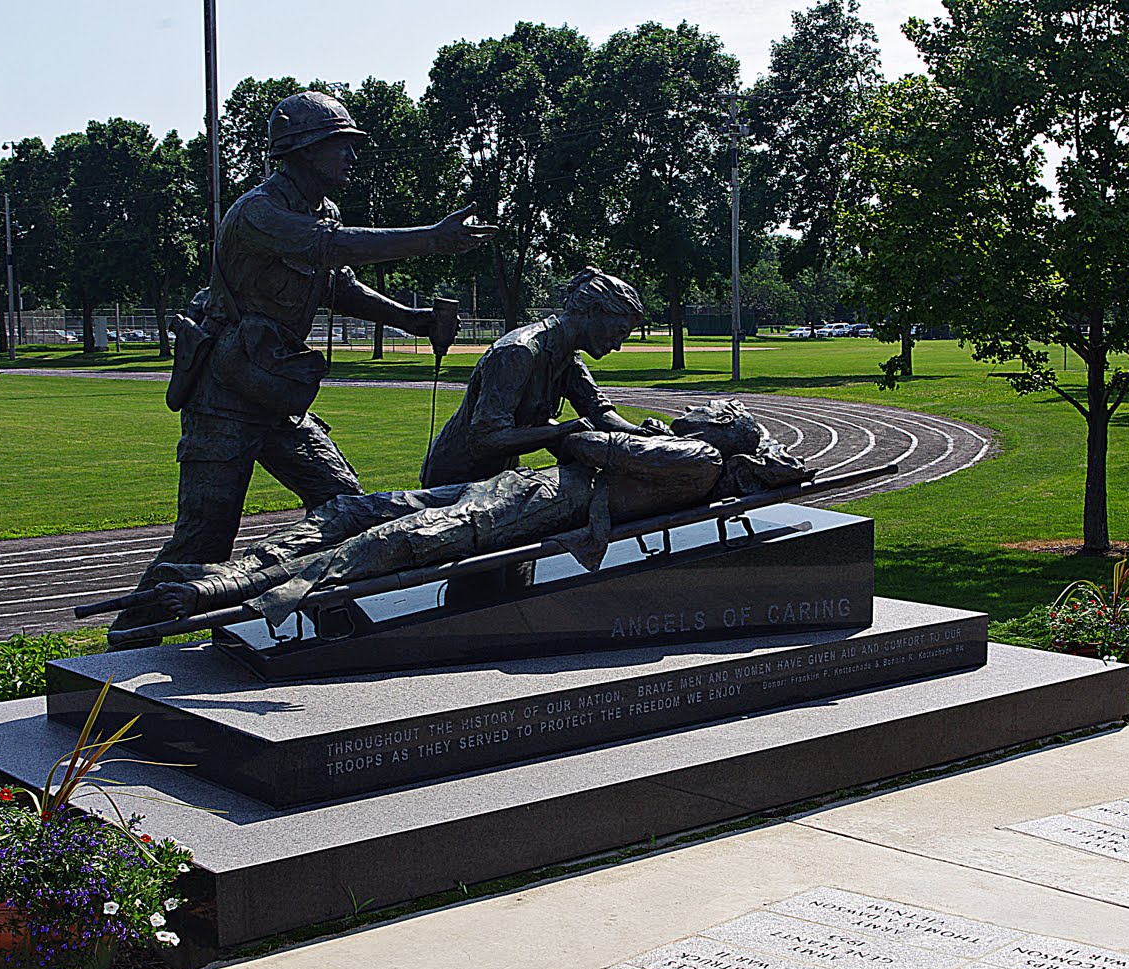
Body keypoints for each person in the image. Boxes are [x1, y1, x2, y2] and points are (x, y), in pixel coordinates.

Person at [111, 90, 497, 646]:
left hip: (276, 397)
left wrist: (409, 320)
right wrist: (431, 239)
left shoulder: (321, 210)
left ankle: (330, 619)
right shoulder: (261, 213)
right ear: (303, 150)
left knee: (342, 504)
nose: (351, 156)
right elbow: (328, 249)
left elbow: (335, 280)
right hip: (224, 398)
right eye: (340, 145)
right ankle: (123, 648)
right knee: (204, 540)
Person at [133, 399, 809, 630]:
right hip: (519, 491)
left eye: (702, 409)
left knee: (393, 537)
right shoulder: (694, 453)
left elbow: (584, 442)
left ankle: (227, 585)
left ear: (720, 426)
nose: (689, 408)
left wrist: (601, 430)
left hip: (538, 503)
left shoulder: (695, 453)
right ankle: (240, 569)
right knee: (355, 507)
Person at [420, 267, 656, 489]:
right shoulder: (518, 352)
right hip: (455, 479)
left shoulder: (568, 356)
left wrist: (640, 433)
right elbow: (486, 438)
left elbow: (597, 410)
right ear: (594, 311)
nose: (617, 345)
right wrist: (560, 431)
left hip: (497, 476)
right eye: (620, 332)